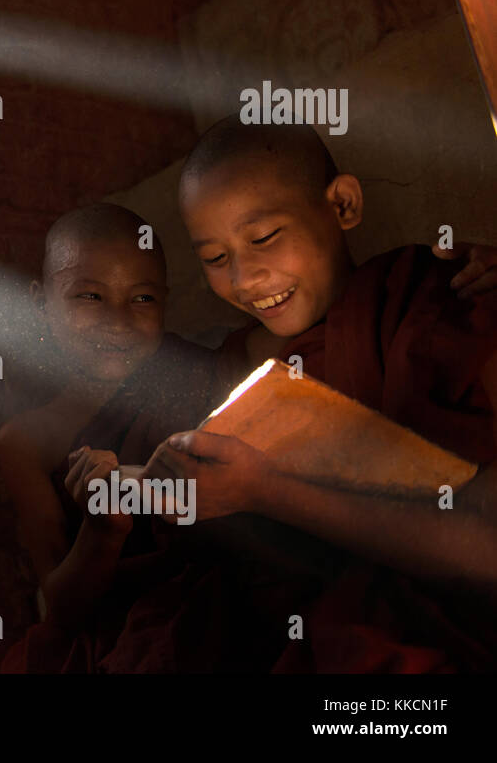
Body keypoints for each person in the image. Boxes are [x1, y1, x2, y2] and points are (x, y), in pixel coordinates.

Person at [137, 118, 497, 671]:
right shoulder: (228, 364)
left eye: (262, 238)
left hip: (414, 622)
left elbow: (484, 543)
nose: (246, 277)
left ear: (344, 205)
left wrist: (267, 491)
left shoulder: (428, 300)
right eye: (214, 258)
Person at [0, 203, 232, 672]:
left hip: (216, 605)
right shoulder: (27, 440)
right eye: (90, 297)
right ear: (43, 304)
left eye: (142, 299)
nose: (119, 321)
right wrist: (102, 531)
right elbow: (62, 608)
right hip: (114, 634)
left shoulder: (203, 379)